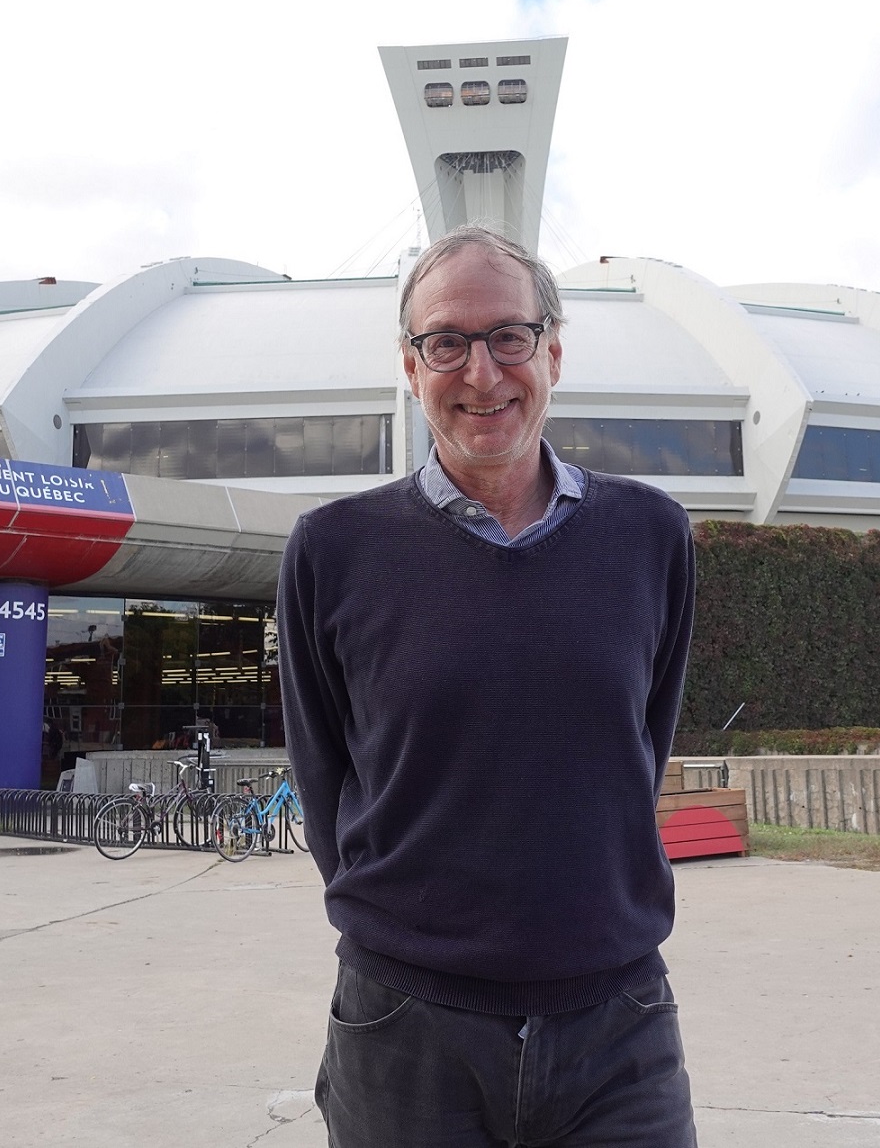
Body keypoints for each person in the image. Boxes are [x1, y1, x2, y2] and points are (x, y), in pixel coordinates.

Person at [278, 225, 698, 1146]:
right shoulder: (333, 550)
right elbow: (324, 774)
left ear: (553, 347)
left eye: (508, 335)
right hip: (406, 1026)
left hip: (617, 1023)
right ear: (410, 363)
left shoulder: (651, 537)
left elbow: (639, 740)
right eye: (446, 342)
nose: (482, 372)